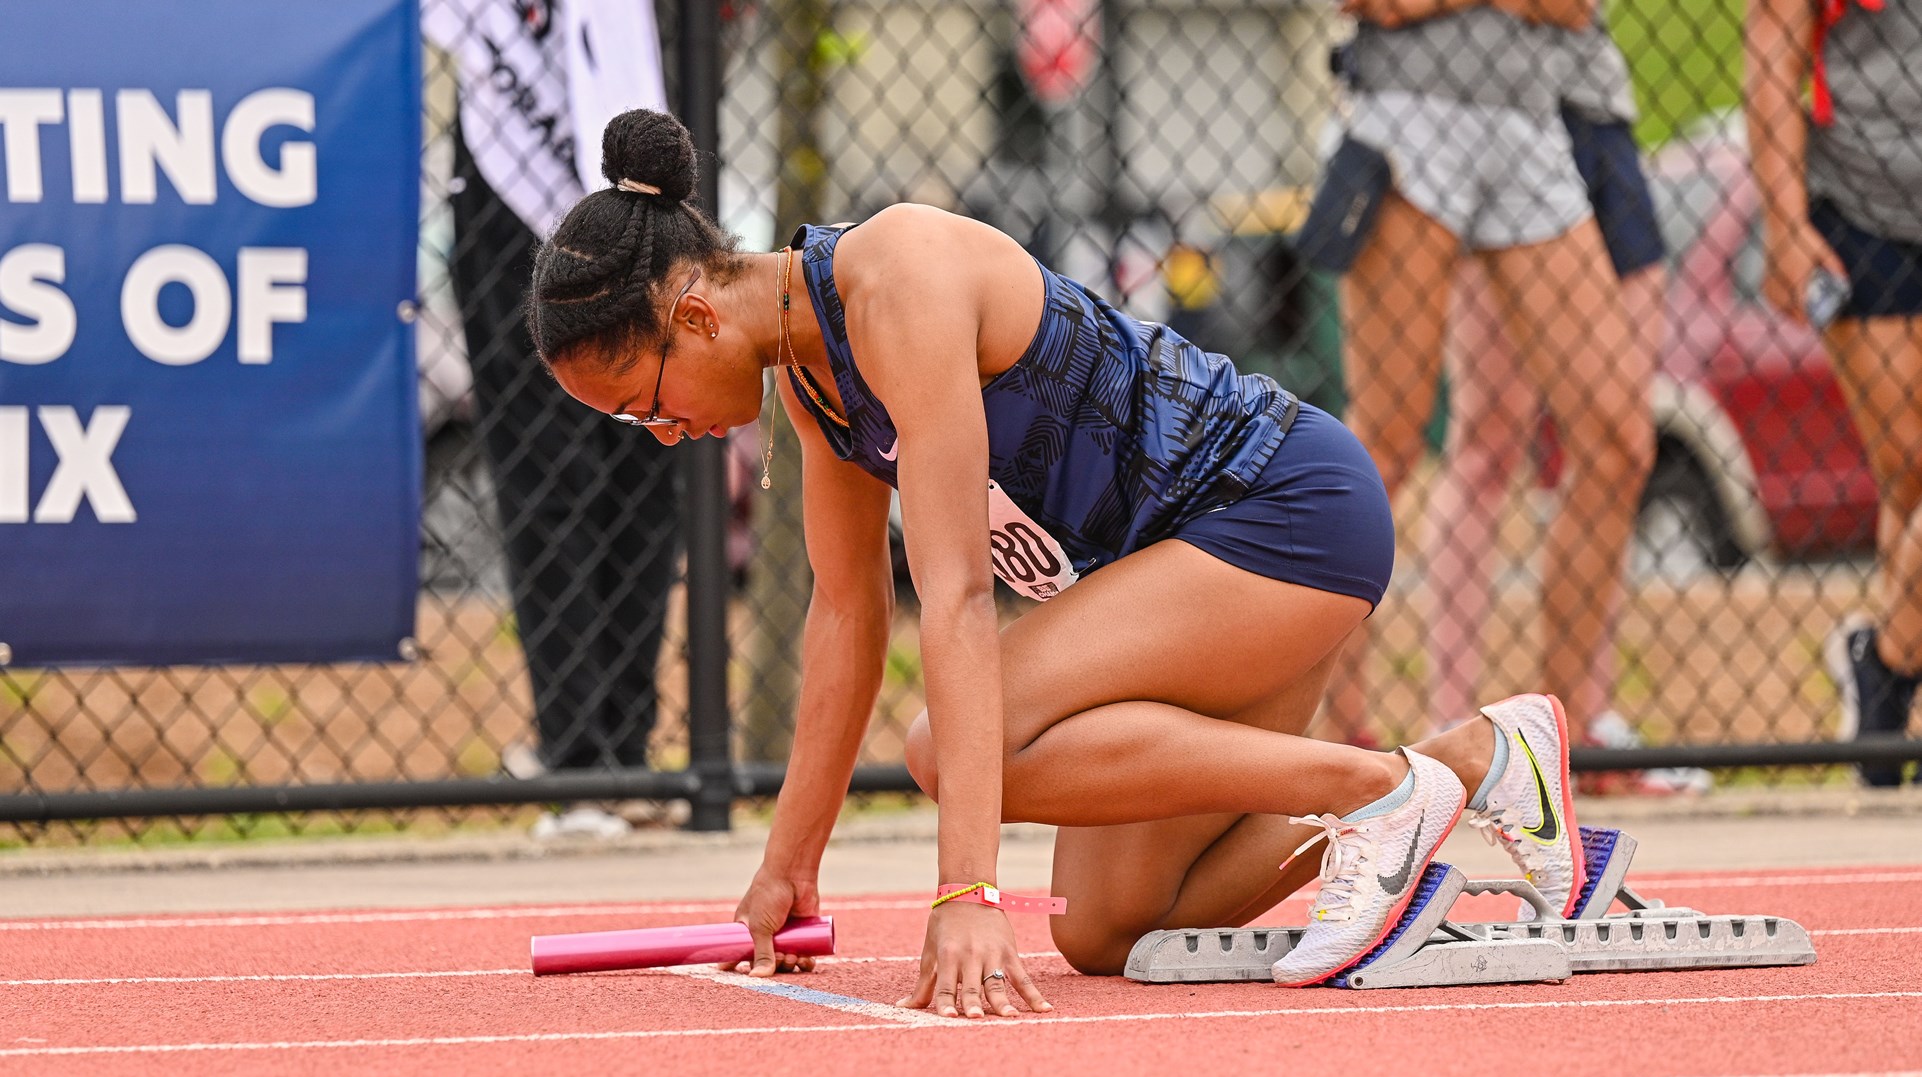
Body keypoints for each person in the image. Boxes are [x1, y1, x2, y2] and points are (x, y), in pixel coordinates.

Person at [523, 108, 1592, 1014]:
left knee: (948, 745)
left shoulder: (893, 283)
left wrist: (967, 895)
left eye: (640, 404)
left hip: (1281, 512)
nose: (660, 433)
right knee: (1109, 928)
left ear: (695, 315)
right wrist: (785, 868)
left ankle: (1378, 792)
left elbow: (954, 597)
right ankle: (1468, 766)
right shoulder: (812, 384)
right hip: (1190, 570)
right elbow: (844, 623)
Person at [1310, 0, 1656, 763]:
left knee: (1618, 440)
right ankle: (1340, 742)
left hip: (1529, 130)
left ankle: (1557, 755)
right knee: (1386, 446)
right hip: (1407, 120)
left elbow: (1569, 9)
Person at [1419, 17, 1713, 795]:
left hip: (1596, 124)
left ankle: (1580, 726)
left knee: (1617, 447)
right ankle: (1453, 739)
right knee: (1487, 443)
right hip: (1498, 121)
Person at [430, 0, 683, 834]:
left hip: (652, 170)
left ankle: (625, 749)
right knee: (547, 471)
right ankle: (577, 760)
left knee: (649, 453)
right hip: (509, 197)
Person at [1748, 0, 1922, 786]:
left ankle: (1889, 662)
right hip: (1862, 203)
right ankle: (1889, 668)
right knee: (1912, 466)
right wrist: (1785, 226)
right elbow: (1772, 48)